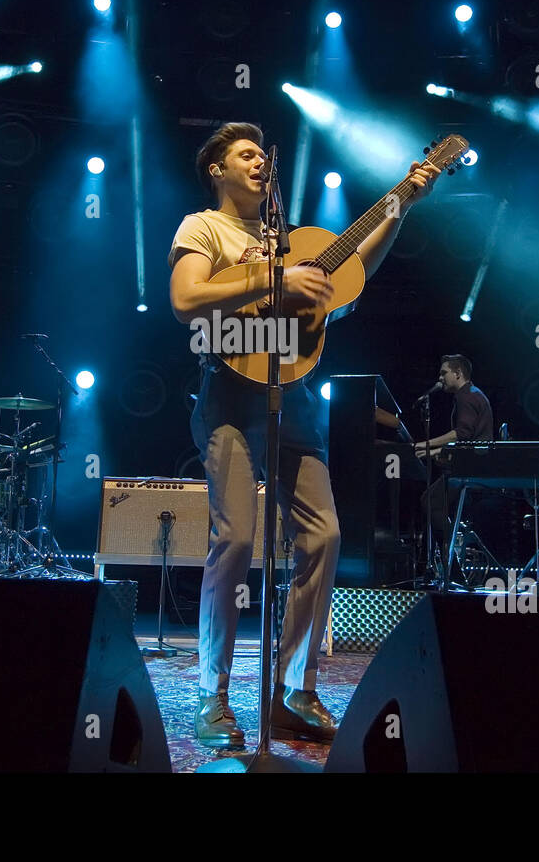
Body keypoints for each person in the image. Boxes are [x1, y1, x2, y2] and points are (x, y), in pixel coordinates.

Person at [168, 121, 439, 748]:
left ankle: (296, 688)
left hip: (297, 399)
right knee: (235, 538)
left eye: (264, 153)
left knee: (325, 536)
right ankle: (213, 696)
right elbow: (186, 301)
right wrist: (272, 280)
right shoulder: (203, 227)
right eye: (245, 154)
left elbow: (350, 274)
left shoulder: (292, 239)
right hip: (231, 397)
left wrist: (399, 207)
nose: (260, 161)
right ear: (218, 170)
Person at [416, 353, 494, 548]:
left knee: (430, 502)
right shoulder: (473, 393)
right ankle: (452, 548)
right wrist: (434, 452)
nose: (440, 378)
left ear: (458, 373)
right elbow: (466, 440)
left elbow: (462, 434)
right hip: (475, 465)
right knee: (435, 503)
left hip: (469, 468)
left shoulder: (466, 397)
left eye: (444, 373)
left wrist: (427, 444)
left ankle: (452, 549)